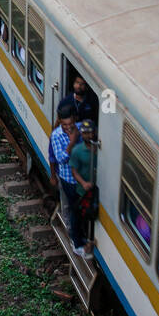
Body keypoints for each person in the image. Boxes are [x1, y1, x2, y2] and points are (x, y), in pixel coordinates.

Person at [49, 102, 86, 257]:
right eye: (64, 125)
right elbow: (60, 159)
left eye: (70, 124)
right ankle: (76, 242)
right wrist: (71, 143)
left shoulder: (81, 128)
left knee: (81, 209)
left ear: (75, 120)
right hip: (69, 180)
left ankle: (80, 235)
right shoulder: (57, 136)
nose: (68, 127)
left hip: (82, 178)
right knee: (74, 210)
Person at [70, 119, 99, 258]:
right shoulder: (77, 151)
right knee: (80, 218)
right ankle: (80, 243)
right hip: (82, 192)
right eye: (85, 133)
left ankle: (90, 241)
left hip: (96, 192)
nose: (87, 135)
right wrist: (83, 183)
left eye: (90, 132)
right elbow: (74, 171)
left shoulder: (99, 150)